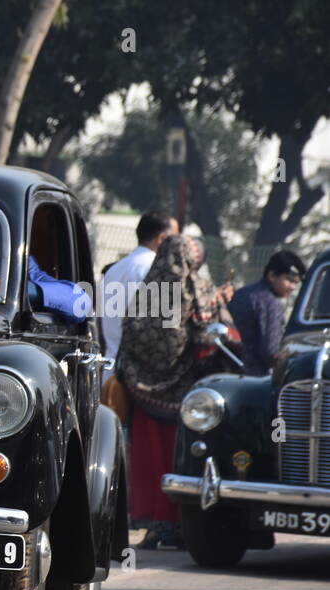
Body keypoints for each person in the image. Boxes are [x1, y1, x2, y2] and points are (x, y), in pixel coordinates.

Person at [118, 235, 239, 549]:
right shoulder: (197, 289)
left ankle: (156, 528)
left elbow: (131, 336)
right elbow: (210, 338)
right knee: (180, 460)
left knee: (152, 462)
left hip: (143, 394)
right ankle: (178, 525)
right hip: (185, 400)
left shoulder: (147, 290)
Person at [100, 211, 179, 367]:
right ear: (161, 239)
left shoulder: (114, 269)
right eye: (176, 239)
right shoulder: (158, 269)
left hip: (111, 370)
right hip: (141, 376)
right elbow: (168, 326)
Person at [228, 250, 306, 375]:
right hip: (254, 375)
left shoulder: (242, 293)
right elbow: (271, 351)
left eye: (295, 283)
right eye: (289, 280)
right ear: (272, 276)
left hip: (229, 367)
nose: (292, 287)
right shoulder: (271, 304)